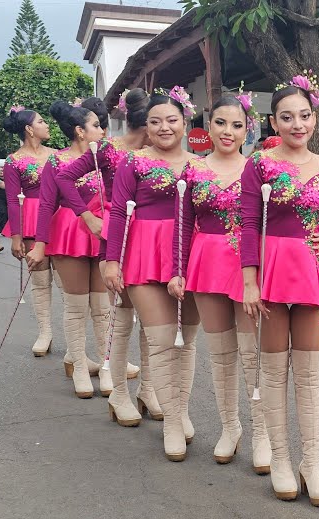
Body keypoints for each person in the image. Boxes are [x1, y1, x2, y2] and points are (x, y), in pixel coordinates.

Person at [239, 72, 319, 505]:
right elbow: (248, 224)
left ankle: (310, 462)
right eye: (287, 117)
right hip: (273, 270)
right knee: (274, 372)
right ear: (273, 123)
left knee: (310, 376)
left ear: (315, 119)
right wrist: (249, 281)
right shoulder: (259, 164)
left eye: (305, 116)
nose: (298, 124)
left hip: (313, 269)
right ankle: (279, 457)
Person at [102, 87, 197, 461]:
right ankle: (172, 422)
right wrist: (112, 261)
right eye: (155, 121)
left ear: (185, 123)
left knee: (185, 342)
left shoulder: (199, 165)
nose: (163, 127)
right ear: (146, 125)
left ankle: (181, 409)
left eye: (171, 120)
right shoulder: (134, 162)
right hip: (142, 253)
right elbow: (115, 212)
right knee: (160, 341)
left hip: (188, 255)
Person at [171, 90, 264, 467]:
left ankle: (262, 433)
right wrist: (178, 269)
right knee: (221, 353)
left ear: (248, 130)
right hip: (206, 262)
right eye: (221, 123)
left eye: (237, 125)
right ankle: (231, 427)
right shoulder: (192, 169)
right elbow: (183, 223)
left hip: (248, 266)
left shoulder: (258, 168)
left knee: (252, 353)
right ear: (207, 126)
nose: (228, 132)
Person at [53, 90, 154, 420]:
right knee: (114, 313)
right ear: (146, 124)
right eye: (160, 122)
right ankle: (101, 376)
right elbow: (64, 177)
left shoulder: (164, 157)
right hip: (114, 239)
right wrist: (86, 215)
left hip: (149, 244)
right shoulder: (109, 152)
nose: (169, 130)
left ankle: (143, 387)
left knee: (151, 321)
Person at [28, 98, 116, 400]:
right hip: (69, 231)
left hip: (103, 230)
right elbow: (46, 204)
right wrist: (39, 245)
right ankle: (78, 364)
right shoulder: (57, 161)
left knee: (103, 308)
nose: (102, 131)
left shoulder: (105, 156)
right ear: (80, 131)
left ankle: (106, 366)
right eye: (96, 126)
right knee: (76, 307)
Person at [1, 106, 59, 358]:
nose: (47, 125)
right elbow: (13, 200)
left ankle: (75, 341)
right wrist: (16, 236)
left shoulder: (58, 156)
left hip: (61, 219)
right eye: (42, 121)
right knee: (40, 281)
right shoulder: (13, 161)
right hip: (31, 221)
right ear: (29, 128)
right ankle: (44, 331)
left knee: (70, 286)